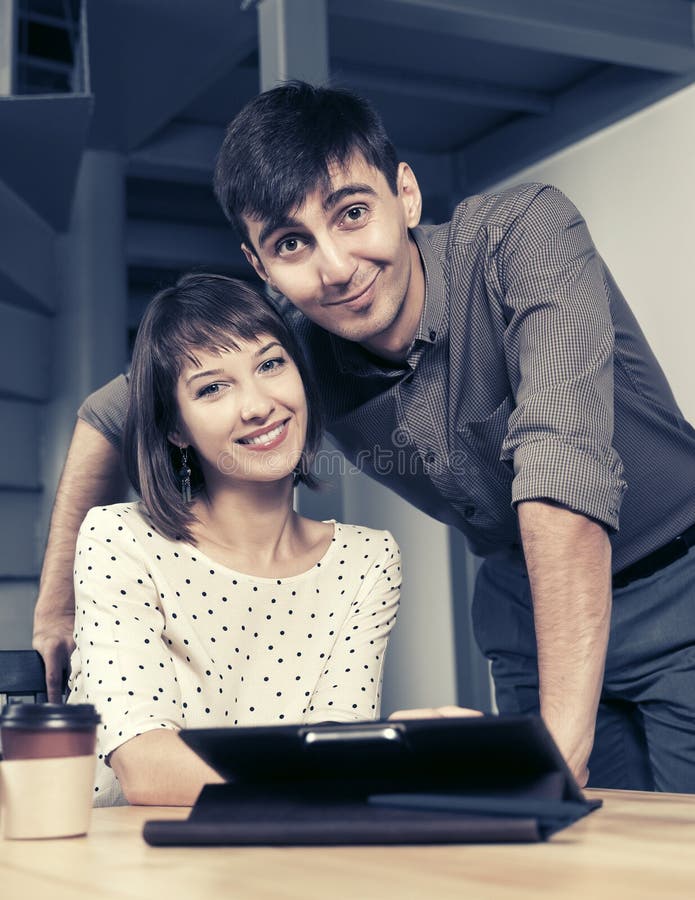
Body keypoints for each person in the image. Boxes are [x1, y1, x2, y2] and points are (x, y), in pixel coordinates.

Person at [37, 82, 695, 793]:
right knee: (571, 846)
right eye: (292, 243)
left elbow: (560, 465)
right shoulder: (285, 350)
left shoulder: (523, 235)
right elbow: (111, 414)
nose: (336, 269)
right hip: (523, 610)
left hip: (679, 586)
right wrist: (59, 608)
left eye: (352, 213)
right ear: (260, 267)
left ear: (404, 195)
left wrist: (558, 751)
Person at [66, 273, 401, 806]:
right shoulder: (119, 540)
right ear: (176, 428)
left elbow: (337, 750)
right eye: (212, 388)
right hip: (126, 852)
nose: (257, 405)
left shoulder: (367, 561)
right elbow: (147, 769)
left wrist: (394, 754)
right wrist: (373, 764)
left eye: (270, 365)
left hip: (278, 850)